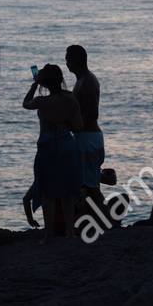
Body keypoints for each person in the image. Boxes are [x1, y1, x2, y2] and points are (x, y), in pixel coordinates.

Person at [23, 64, 84, 239]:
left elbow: (25, 104)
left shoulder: (41, 102)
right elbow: (79, 126)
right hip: (66, 143)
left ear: (44, 82)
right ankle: (70, 232)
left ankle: (49, 234)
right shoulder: (70, 98)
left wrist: (34, 85)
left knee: (47, 192)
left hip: (48, 145)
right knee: (68, 191)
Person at [66, 45, 107, 215]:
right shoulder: (81, 80)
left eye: (68, 58)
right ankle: (97, 217)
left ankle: (107, 218)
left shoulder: (88, 81)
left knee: (91, 186)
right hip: (85, 137)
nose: (66, 62)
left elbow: (92, 114)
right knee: (85, 183)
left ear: (76, 60)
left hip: (89, 138)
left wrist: (73, 126)